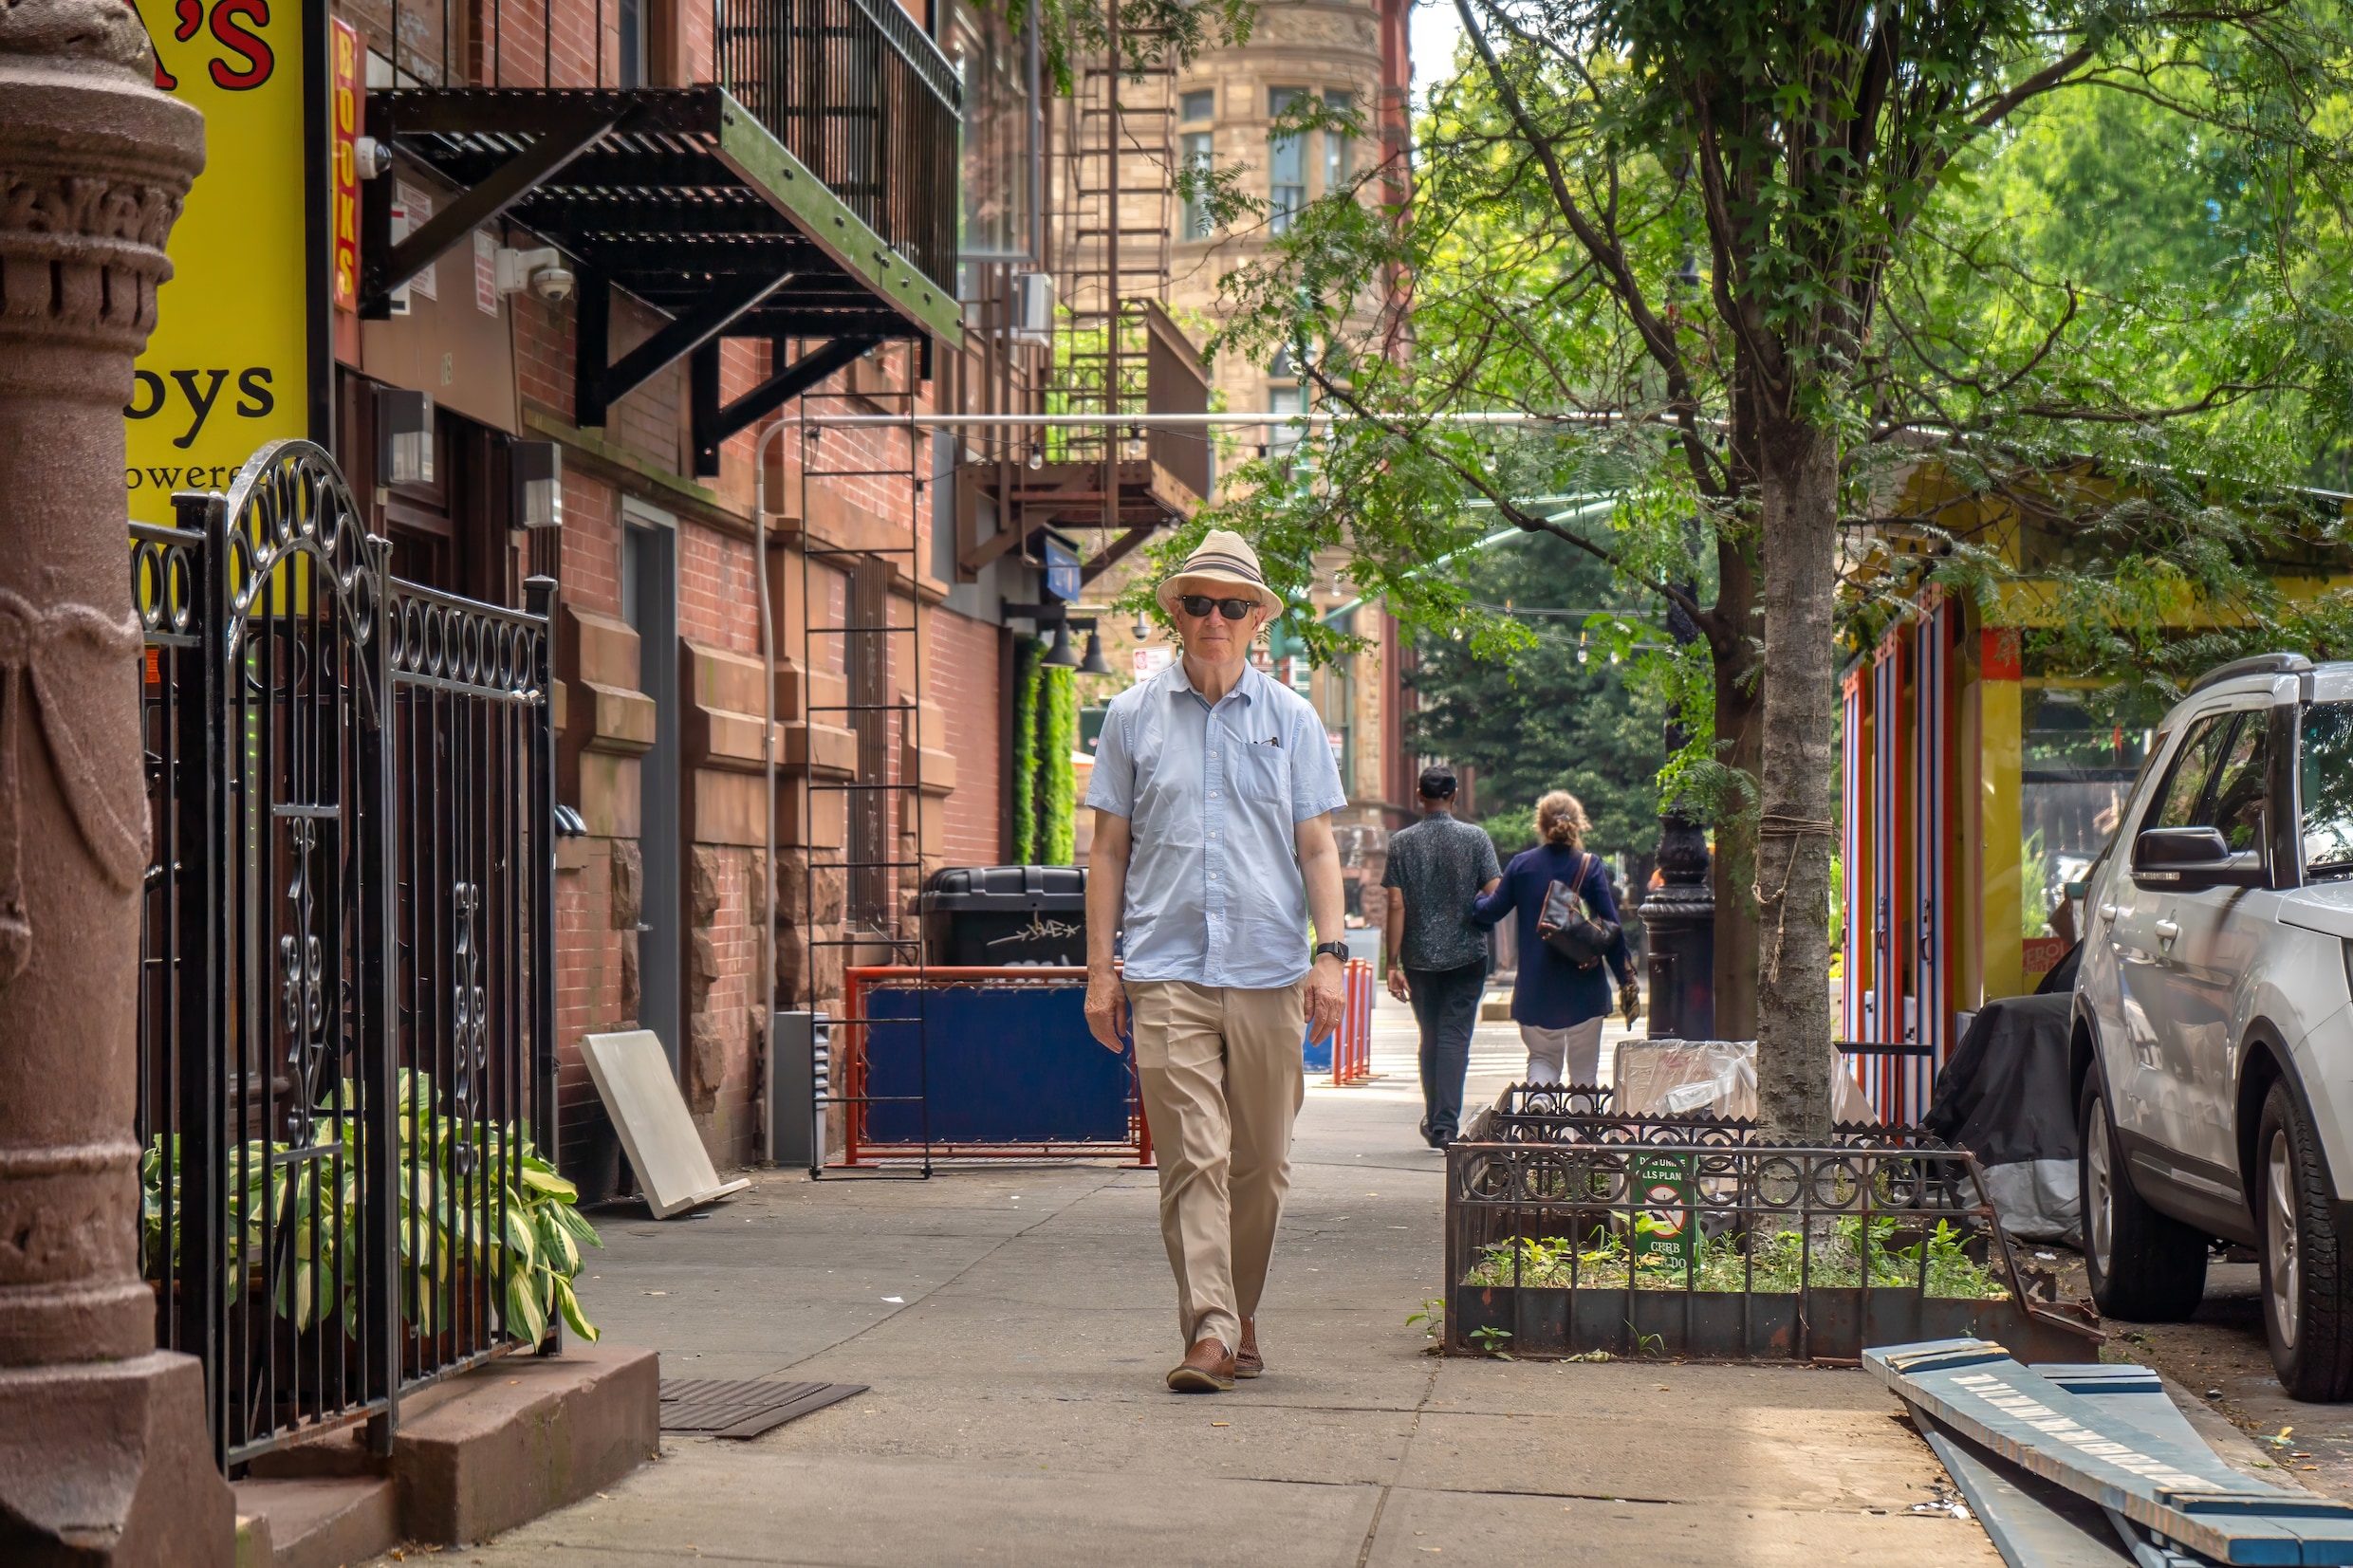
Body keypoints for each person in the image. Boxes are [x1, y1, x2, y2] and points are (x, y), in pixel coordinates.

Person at [1081, 529, 1350, 1394]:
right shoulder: (1131, 717)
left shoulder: (1292, 719)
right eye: (1198, 602)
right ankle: (1210, 1329)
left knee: (1260, 1165)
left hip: (1271, 970)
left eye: (1232, 605)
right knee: (1192, 1155)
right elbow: (1109, 852)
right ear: (1178, 612)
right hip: (1165, 972)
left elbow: (1317, 848)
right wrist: (1100, 968)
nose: (1214, 618)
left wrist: (1332, 954)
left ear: (1256, 621)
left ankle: (1236, 1307)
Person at [1473, 791, 1636, 1085]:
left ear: (1541, 824)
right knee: (1584, 1076)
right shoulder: (1589, 865)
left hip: (1535, 993)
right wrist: (1625, 979)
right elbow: (1611, 928)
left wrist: (1472, 899)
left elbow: (1491, 911)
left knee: (1542, 1061)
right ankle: (1582, 1130)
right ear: (1578, 823)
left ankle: (1539, 1107)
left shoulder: (1521, 865)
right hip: (1584, 993)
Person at [1380, 766, 1501, 1148]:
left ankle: (1435, 1119)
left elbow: (1395, 904)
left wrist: (1391, 963)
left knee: (1430, 1034)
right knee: (1454, 1037)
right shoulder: (1475, 838)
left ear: (1419, 795)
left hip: (1418, 959)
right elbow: (1496, 891)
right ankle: (1445, 1125)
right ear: (1455, 795)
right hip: (1468, 954)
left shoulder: (1401, 843)